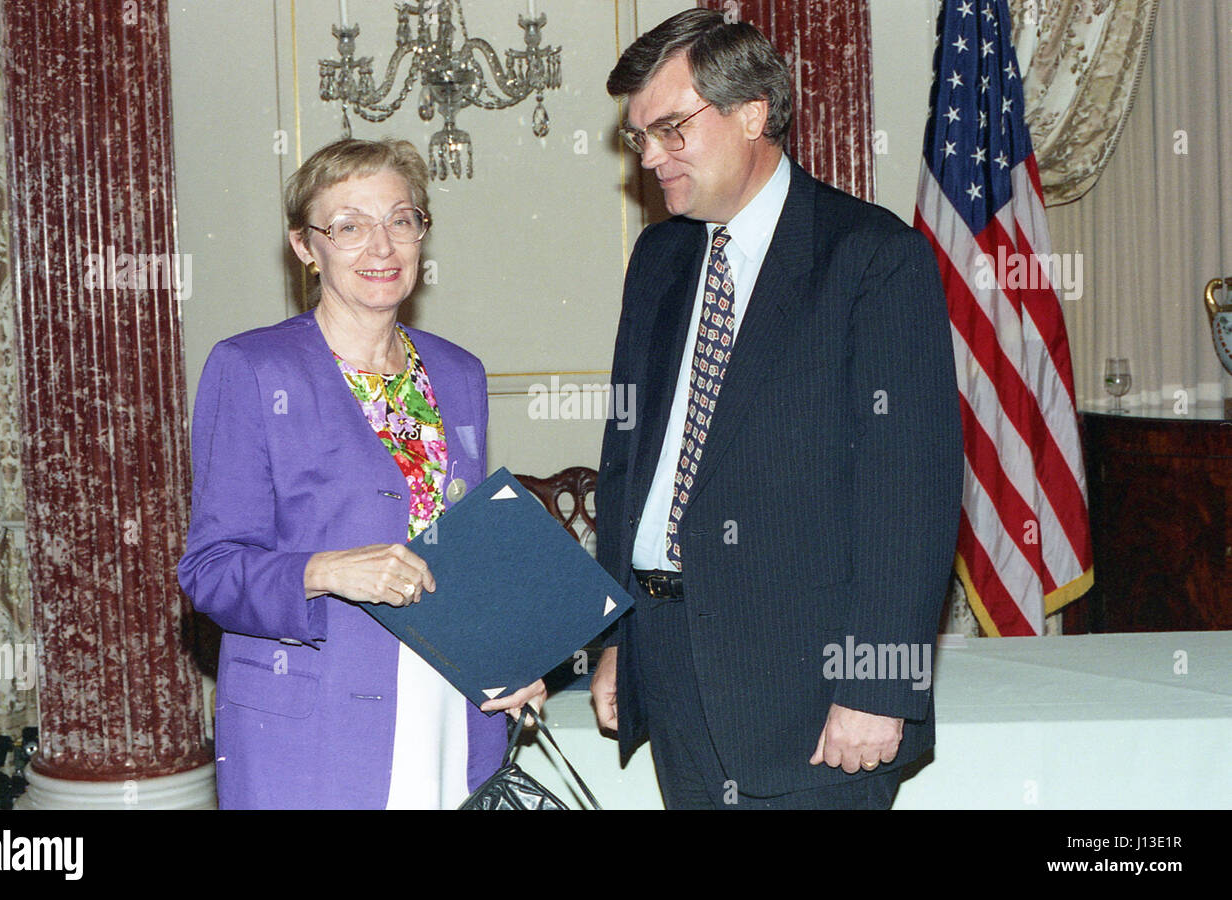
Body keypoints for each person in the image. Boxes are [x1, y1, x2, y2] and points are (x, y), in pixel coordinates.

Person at [589, 9, 963, 809]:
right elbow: (628, 464)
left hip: (816, 699)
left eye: (670, 130)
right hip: (673, 670)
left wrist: (880, 685)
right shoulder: (659, 258)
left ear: (753, 112)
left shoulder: (870, 257)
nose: (650, 156)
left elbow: (913, 494)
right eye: (639, 137)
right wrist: (617, 637)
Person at [178, 138, 544, 809]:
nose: (382, 248)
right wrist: (325, 571)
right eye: (348, 226)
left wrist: (511, 650)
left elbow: (464, 551)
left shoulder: (459, 374)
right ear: (304, 247)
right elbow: (210, 571)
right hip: (314, 724)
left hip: (449, 707)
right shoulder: (253, 370)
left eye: (400, 221)